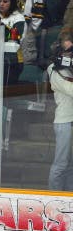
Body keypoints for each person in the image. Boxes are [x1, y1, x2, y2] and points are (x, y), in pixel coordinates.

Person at [47, 32, 73, 191]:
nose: (69, 54)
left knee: (70, 166)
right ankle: (53, 198)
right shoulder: (53, 69)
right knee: (60, 164)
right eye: (67, 50)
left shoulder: (70, 68)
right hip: (64, 122)